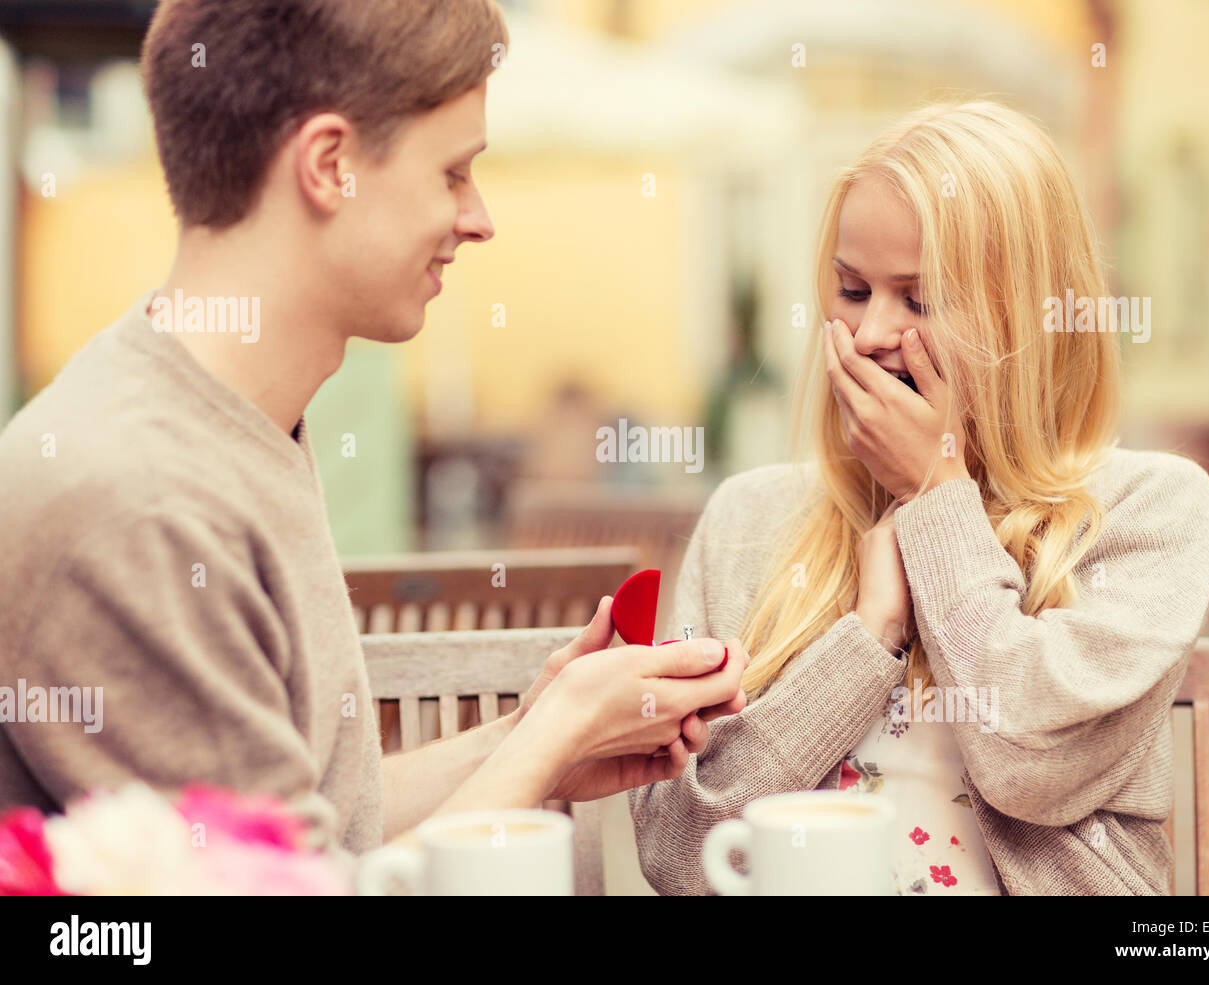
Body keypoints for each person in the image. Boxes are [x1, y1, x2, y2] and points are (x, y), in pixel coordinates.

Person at [0, 0, 748, 857]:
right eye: (454, 172)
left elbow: (322, 831)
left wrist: (529, 737)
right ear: (330, 165)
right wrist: (559, 736)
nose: (479, 218)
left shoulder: (234, 423)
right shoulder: (135, 502)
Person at [628, 101, 1209, 895]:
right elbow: (678, 854)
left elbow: (1025, 761)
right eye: (851, 288)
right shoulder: (749, 519)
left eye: (920, 298)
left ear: (1031, 319)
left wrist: (937, 497)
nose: (872, 331)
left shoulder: (1153, 512)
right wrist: (867, 639)